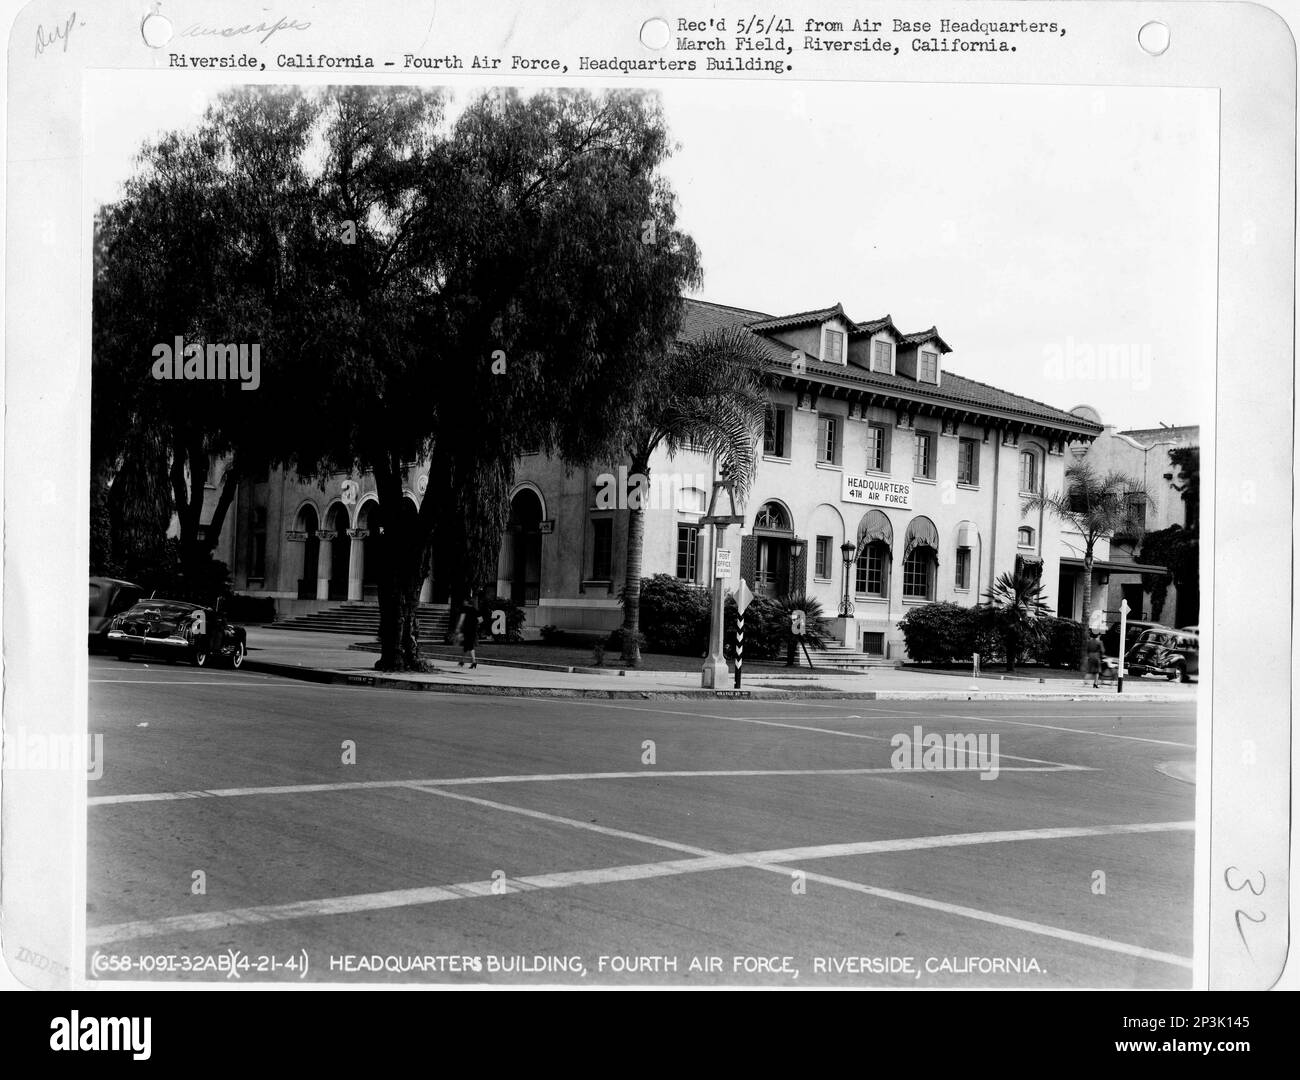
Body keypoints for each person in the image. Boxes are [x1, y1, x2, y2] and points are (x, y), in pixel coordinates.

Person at [457, 602, 480, 669]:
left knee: (469, 645)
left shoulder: (464, 609)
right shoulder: (475, 609)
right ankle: (462, 661)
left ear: (466, 602)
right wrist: (475, 624)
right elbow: (480, 620)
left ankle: (473, 661)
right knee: (467, 645)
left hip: (467, 629)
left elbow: (461, 619)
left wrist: (458, 628)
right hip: (473, 629)